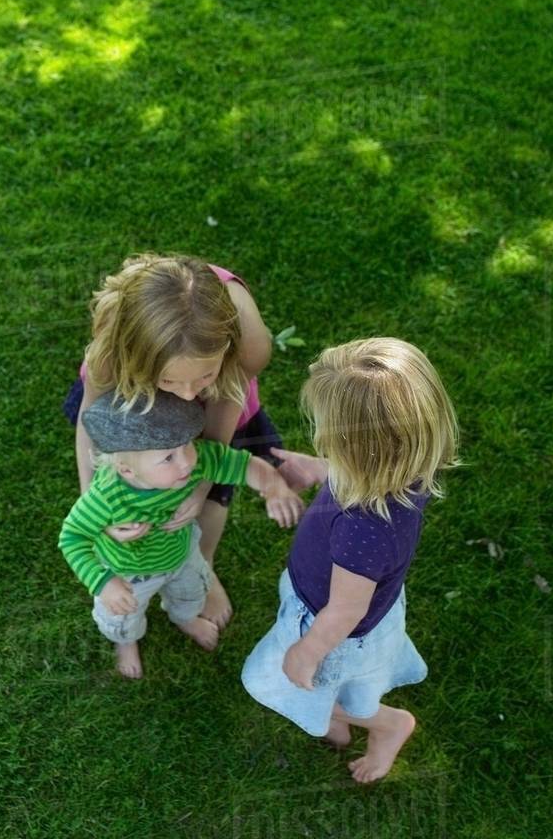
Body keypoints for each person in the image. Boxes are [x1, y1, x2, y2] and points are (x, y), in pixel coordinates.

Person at [240, 338, 459, 783]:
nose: (319, 434)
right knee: (330, 688)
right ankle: (336, 714)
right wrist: (321, 470)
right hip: (349, 613)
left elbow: (345, 609)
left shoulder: (366, 528)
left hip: (331, 630)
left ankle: (387, 724)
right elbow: (354, 468)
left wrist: (308, 649)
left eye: (328, 436)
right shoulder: (402, 469)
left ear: (358, 453)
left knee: (278, 682)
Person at [63, 253, 305, 631]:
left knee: (212, 495)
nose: (188, 396)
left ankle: (201, 563)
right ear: (135, 358)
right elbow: (92, 425)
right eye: (171, 382)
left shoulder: (248, 347)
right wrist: (95, 502)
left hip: (223, 396)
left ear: (226, 349)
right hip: (137, 395)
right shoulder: (113, 350)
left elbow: (217, 437)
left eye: (201, 376)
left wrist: (200, 488)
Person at [59, 388, 299, 680]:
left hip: (182, 555)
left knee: (191, 595)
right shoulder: (106, 497)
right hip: (128, 574)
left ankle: (185, 619)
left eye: (187, 445)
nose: (186, 461)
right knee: (122, 616)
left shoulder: (196, 462)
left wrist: (273, 486)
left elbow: (244, 464)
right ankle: (125, 641)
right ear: (127, 469)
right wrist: (104, 583)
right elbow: (72, 538)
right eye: (168, 457)